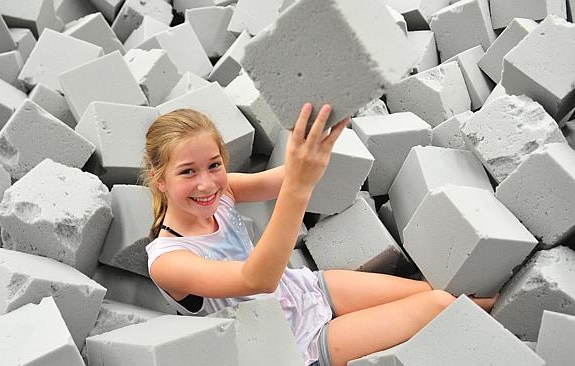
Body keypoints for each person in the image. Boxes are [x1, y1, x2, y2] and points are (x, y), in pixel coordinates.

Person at [142, 104, 497, 366]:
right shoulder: (168, 260)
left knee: (436, 289)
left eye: (214, 165)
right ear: (159, 179)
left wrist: (317, 141)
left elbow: (288, 175)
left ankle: (515, 300)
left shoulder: (223, 192)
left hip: (303, 289)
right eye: (187, 172)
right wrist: (299, 185)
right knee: (440, 306)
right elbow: (258, 279)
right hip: (290, 344)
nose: (206, 183)